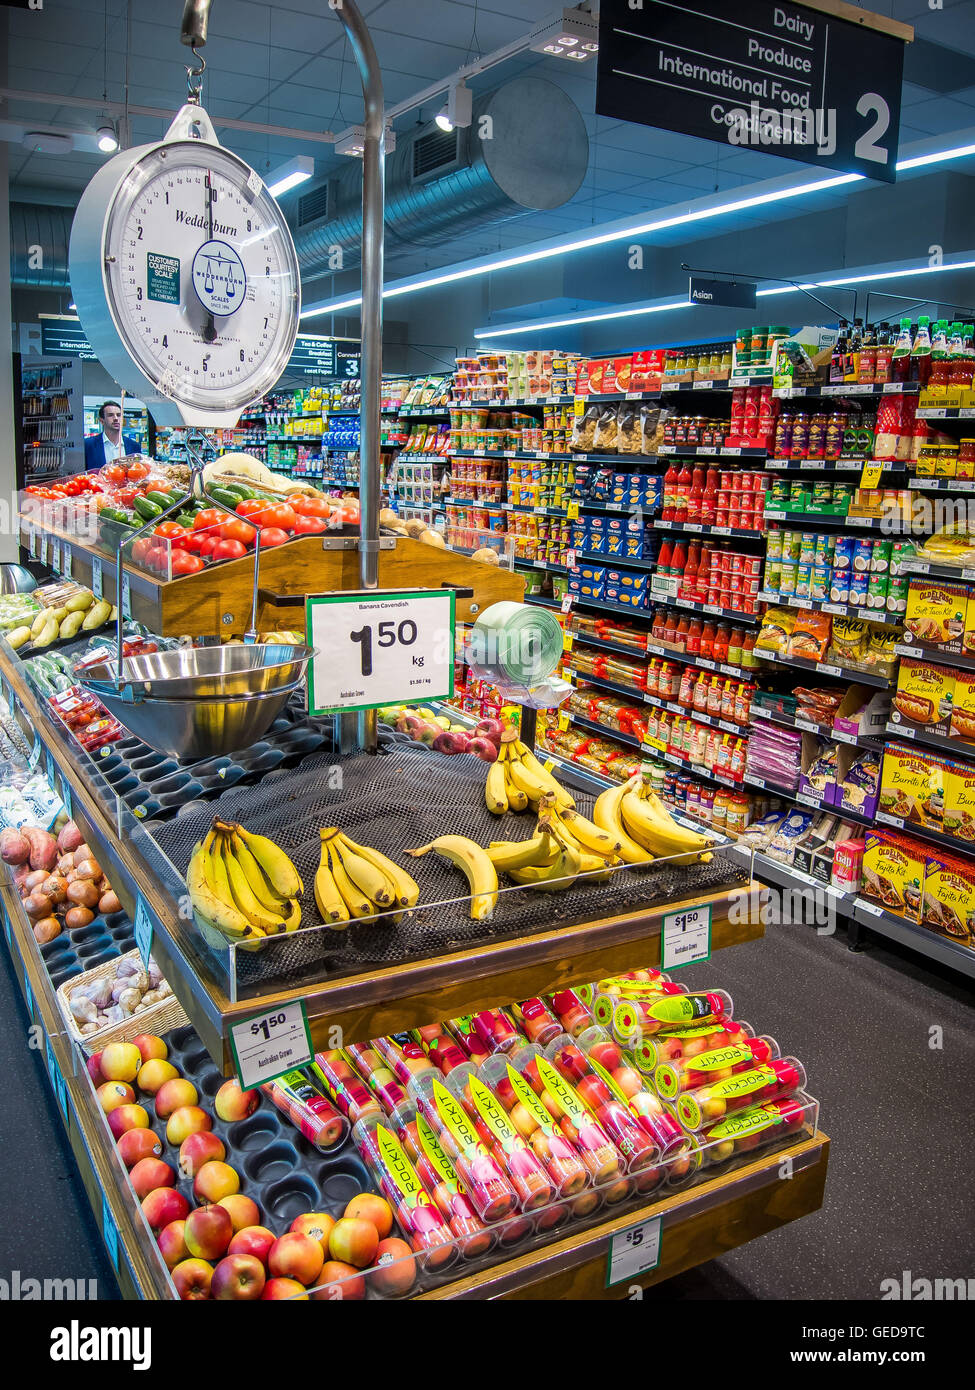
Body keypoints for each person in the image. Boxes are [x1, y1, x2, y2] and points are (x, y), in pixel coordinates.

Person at [84, 402, 141, 471]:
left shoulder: (134, 446)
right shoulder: (88, 445)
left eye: (119, 415)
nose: (116, 418)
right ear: (102, 421)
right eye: (110, 415)